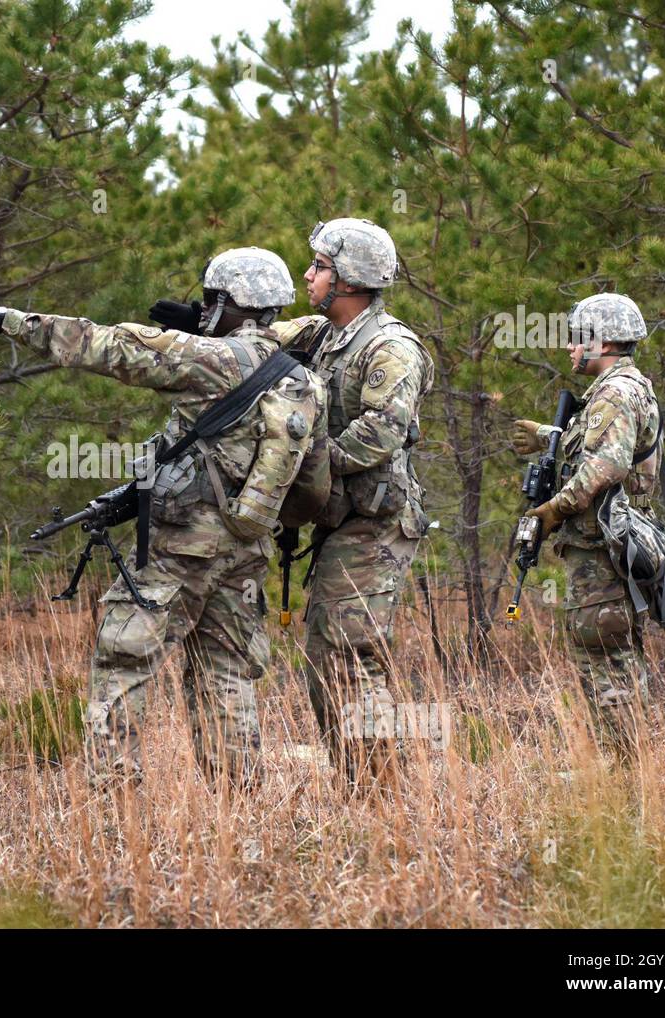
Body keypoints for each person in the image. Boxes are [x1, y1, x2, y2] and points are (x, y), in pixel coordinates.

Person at [0, 247, 328, 788]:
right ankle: (240, 795)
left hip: (180, 549)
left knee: (123, 660)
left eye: (211, 301)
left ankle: (114, 793)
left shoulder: (206, 359)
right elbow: (311, 470)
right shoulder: (303, 379)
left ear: (233, 306)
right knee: (228, 673)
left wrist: (1, 321)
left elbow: (104, 344)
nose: (203, 310)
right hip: (247, 549)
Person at [270, 218, 435, 789]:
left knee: (350, 654)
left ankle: (380, 788)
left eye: (320, 267)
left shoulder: (391, 347)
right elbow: (260, 339)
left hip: (377, 523)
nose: (309, 275)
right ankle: (366, 785)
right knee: (330, 654)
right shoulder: (322, 334)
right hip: (346, 521)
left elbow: (381, 432)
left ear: (351, 281)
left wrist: (306, 466)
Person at [511, 293, 660, 757]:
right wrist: (548, 436)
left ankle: (623, 776)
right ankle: (621, 770)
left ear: (605, 342)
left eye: (578, 339)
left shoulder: (614, 393)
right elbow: (602, 450)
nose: (570, 348)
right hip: (606, 546)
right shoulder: (622, 388)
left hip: (602, 549)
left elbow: (606, 468)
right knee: (607, 657)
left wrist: (553, 510)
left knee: (605, 660)